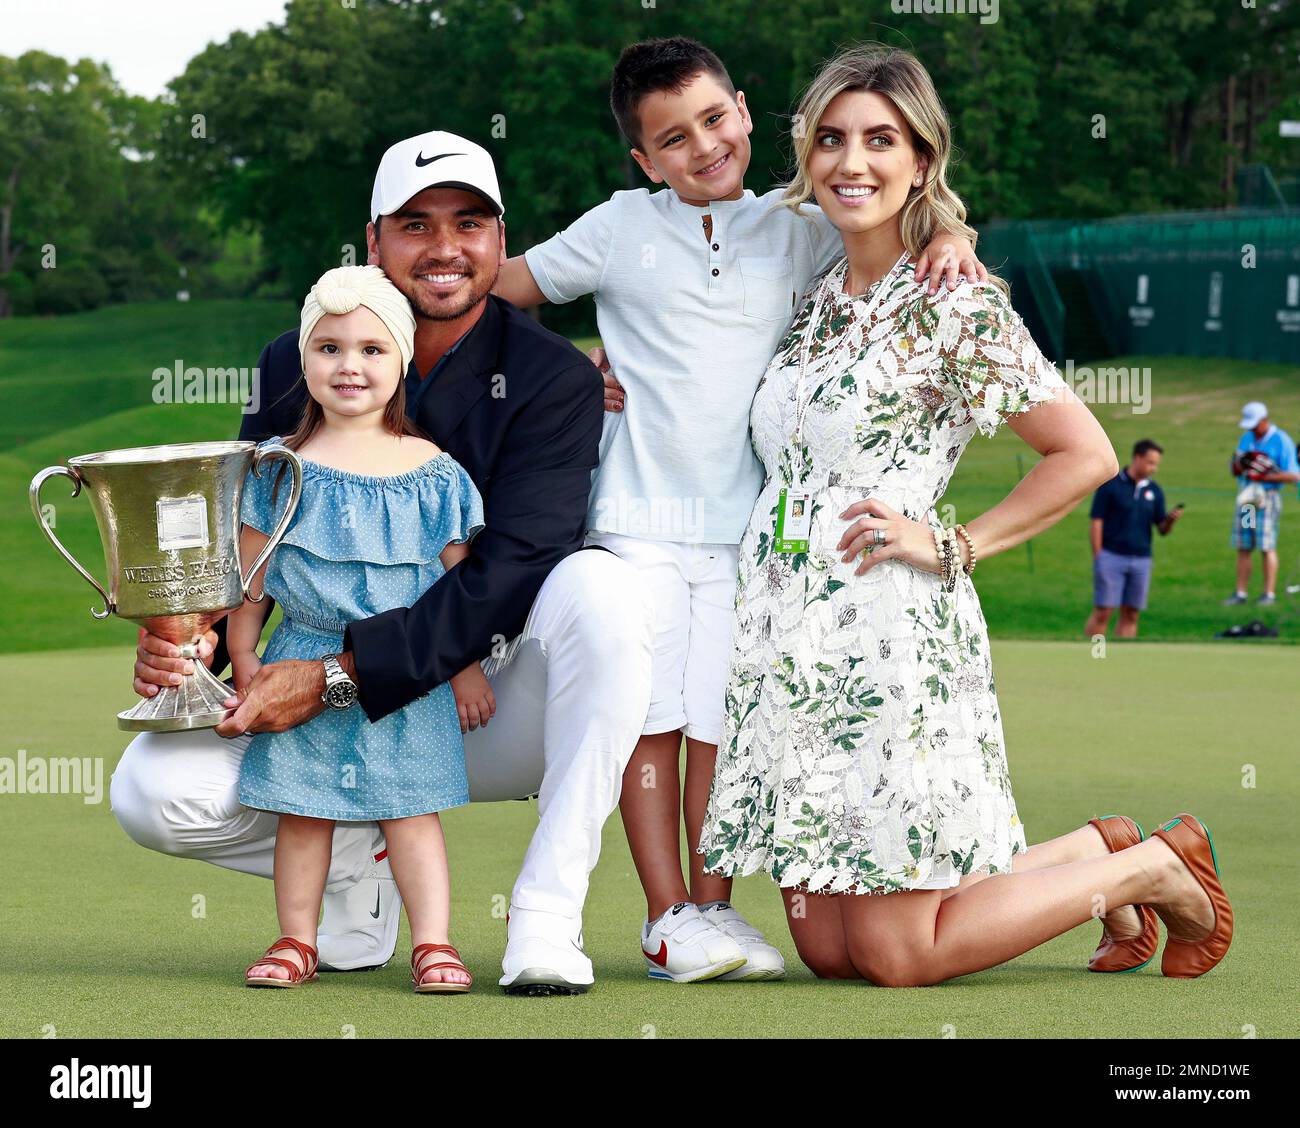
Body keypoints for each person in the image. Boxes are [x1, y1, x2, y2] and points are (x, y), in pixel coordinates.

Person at [697, 45, 1232, 986]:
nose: (850, 162)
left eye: (879, 139)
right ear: (806, 154)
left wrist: (952, 542)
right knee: (830, 951)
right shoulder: (819, 292)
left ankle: (1152, 866)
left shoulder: (955, 303)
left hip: (890, 627)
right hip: (792, 636)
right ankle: (1091, 850)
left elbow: (1087, 453)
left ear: (920, 158)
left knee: (900, 958)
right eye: (830, 139)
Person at [490, 35, 989, 984]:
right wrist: (569, 378)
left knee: (723, 722)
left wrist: (955, 236)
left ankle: (714, 915)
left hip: (751, 535)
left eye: (715, 120)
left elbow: (909, 231)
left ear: (747, 112)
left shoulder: (798, 228)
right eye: (672, 139)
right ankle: (664, 916)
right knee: (652, 719)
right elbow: (504, 289)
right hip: (633, 523)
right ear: (644, 159)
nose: (703, 147)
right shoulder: (615, 226)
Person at [110, 132, 655, 997]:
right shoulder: (296, 360)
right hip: (313, 681)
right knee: (153, 790)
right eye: (415, 225)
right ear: (374, 243)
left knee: (604, 589)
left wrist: (335, 675)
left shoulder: (551, 377)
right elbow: (251, 546)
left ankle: (545, 916)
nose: (444, 248)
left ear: (500, 241)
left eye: (469, 223)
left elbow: (509, 570)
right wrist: (192, 647)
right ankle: (351, 865)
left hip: (488, 699)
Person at [232, 266, 484, 992]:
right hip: (301, 656)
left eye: (373, 349)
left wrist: (461, 666)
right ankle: (295, 939)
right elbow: (251, 575)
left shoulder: (432, 471)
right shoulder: (278, 469)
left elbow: (460, 588)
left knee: (410, 811)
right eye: (330, 347)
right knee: (303, 813)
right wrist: (244, 651)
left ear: (402, 360)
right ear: (304, 360)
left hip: (404, 669)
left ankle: (433, 942)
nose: (350, 365)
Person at [1084, 439, 1182, 639]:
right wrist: (1098, 556)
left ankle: (1123, 659)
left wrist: (1170, 521)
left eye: (1156, 464)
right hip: (1111, 556)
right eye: (1150, 462)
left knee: (1131, 613)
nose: (1153, 468)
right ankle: (1092, 655)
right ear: (1137, 457)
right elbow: (1096, 522)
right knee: (1104, 611)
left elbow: (1161, 529)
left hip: (1141, 559)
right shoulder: (1111, 486)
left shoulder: (1155, 491)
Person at [1223, 400, 1299, 606]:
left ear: (1264, 420)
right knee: (1245, 544)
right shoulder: (1246, 438)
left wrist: (1263, 477)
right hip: (1248, 499)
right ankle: (1241, 593)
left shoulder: (1281, 440)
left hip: (1268, 499)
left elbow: (1294, 475)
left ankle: (1268, 593)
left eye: (1255, 424)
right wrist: (1238, 467)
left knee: (1266, 545)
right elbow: (1238, 466)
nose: (1252, 429)